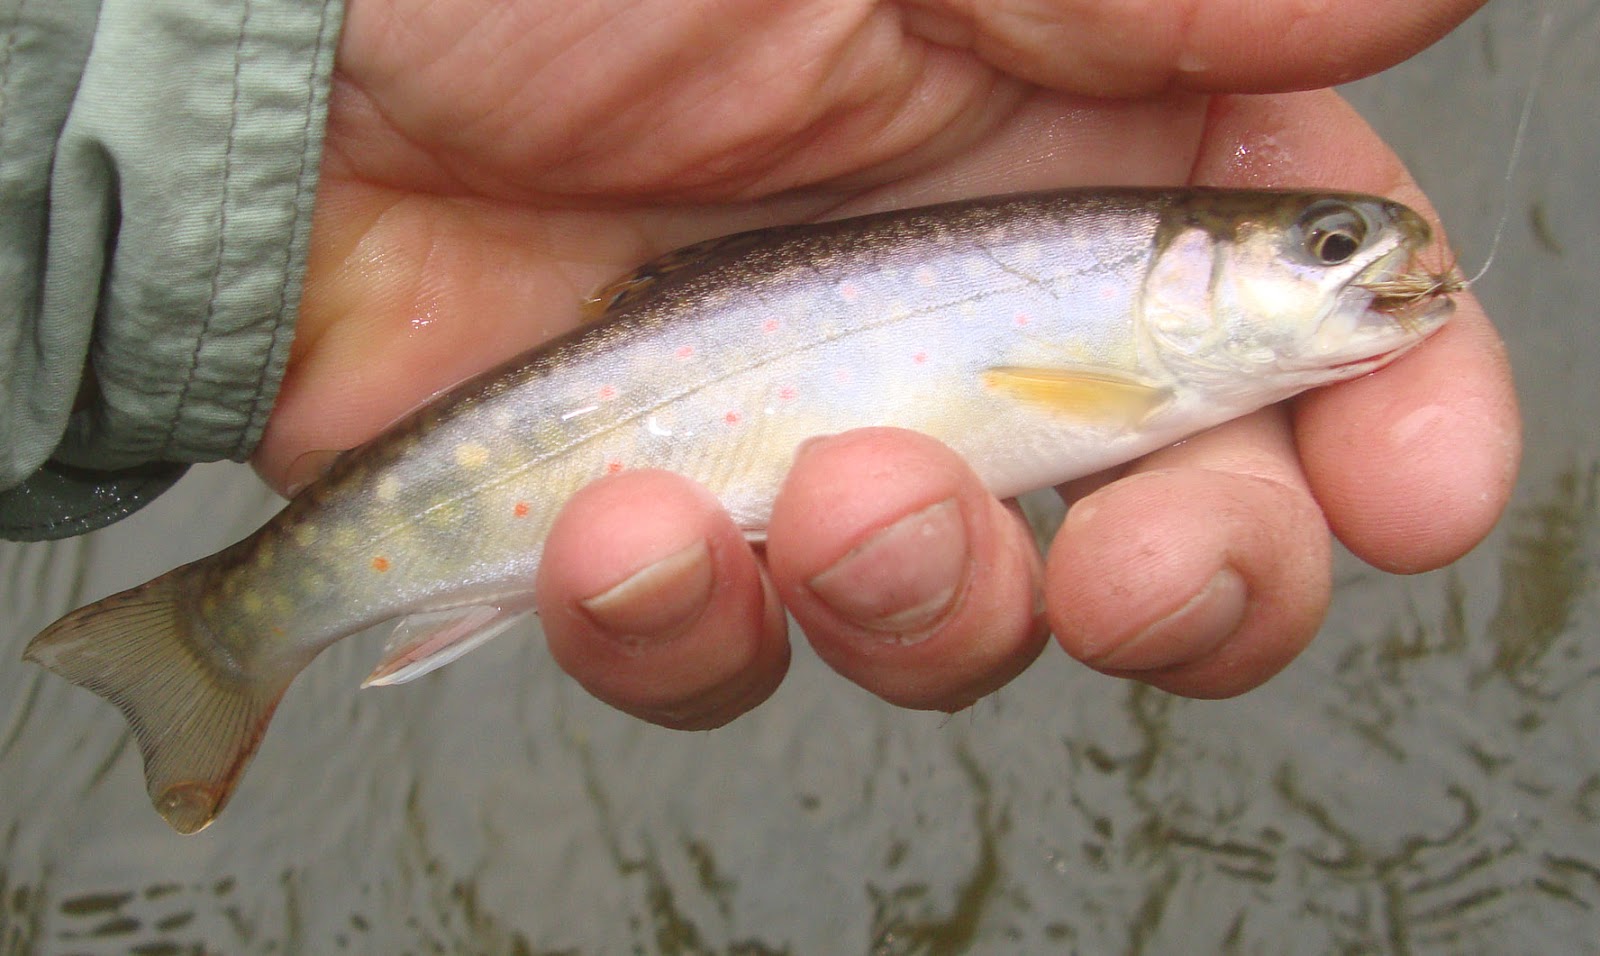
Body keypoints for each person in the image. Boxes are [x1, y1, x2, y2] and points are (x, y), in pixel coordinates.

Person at [3, 0, 1518, 728]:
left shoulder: (1171, 350)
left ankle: (228, 632)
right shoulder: (1137, 347)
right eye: (1328, 248)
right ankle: (220, 636)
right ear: (1191, 270)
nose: (1375, 266)